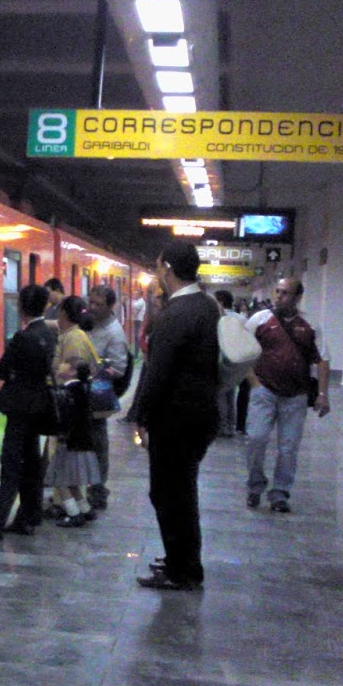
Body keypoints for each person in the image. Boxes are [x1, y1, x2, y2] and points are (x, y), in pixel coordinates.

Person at [131, 243, 220, 590]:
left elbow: (158, 370)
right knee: (181, 491)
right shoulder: (207, 307)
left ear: (167, 268)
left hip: (176, 417)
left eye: (157, 266)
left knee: (169, 493)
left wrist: (141, 414)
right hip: (200, 413)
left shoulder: (177, 311)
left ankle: (182, 570)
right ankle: (182, 560)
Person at [243, 277, 329, 514]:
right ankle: (255, 485)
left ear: (297, 297)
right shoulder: (259, 320)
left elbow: (322, 360)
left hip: (296, 396)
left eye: (285, 293)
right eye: (277, 291)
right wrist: (255, 383)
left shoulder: (310, 325)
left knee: (288, 447)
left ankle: (280, 493)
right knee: (256, 438)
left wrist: (322, 393)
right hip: (265, 391)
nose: (279, 297)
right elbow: (244, 353)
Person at [0, 283, 53, 542]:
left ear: (21, 307)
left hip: (19, 408)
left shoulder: (24, 337)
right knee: (32, 463)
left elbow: (0, 370)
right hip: (39, 406)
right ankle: (29, 517)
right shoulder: (48, 333)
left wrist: (15, 374)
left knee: (10, 466)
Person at [46, 295, 101, 527]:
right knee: (70, 467)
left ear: (66, 315)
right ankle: (83, 508)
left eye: (59, 312)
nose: (57, 316)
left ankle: (73, 511)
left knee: (59, 467)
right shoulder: (73, 334)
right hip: (74, 417)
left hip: (69, 417)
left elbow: (70, 370)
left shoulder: (74, 338)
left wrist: (53, 369)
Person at [85, 284, 130, 510]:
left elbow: (119, 368)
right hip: (79, 393)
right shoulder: (87, 321)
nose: (91, 307)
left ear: (110, 306)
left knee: (97, 443)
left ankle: (98, 488)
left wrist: (94, 367)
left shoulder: (114, 333)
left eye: (98, 304)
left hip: (96, 397)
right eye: (90, 302)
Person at [213, 290, 247, 438]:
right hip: (238, 359)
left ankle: (223, 426)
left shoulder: (219, 318)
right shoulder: (241, 319)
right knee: (230, 393)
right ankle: (231, 425)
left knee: (220, 393)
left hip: (222, 359)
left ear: (220, 302)